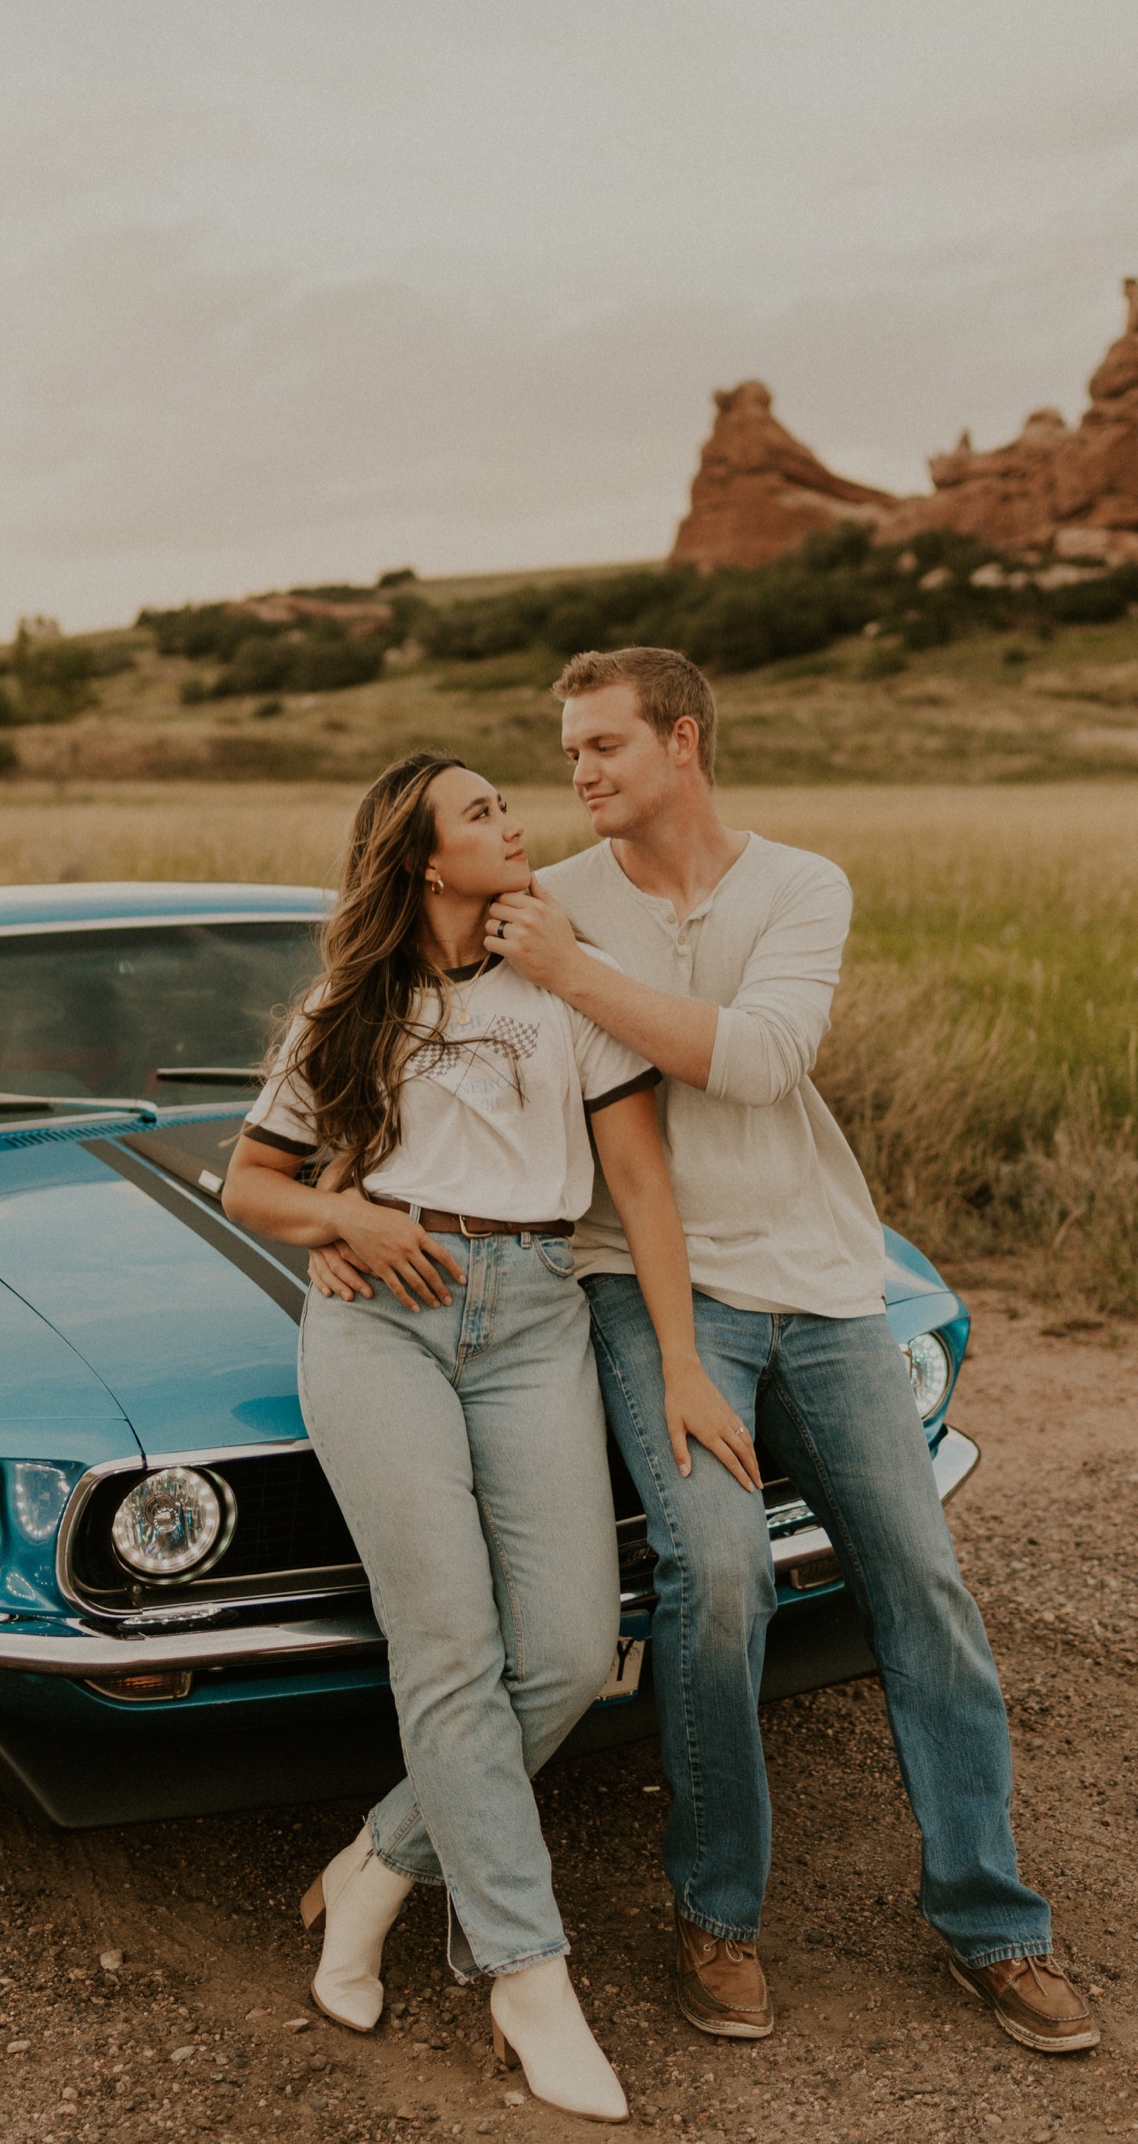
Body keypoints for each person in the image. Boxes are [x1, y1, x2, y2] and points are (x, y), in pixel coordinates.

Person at [459, 644, 1094, 2057]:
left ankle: (994, 1924)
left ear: (683, 740)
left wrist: (575, 973)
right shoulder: (546, 900)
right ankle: (718, 1914)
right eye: (569, 750)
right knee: (721, 1574)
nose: (578, 773)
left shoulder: (802, 886)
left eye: (605, 745)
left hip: (820, 1279)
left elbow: (756, 1059)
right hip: (651, 1288)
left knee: (923, 1581)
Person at [223, 749, 762, 2125]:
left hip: (531, 1314)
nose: (515, 823)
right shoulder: (347, 1004)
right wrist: (344, 1216)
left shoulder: (567, 980)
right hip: (381, 1316)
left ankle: (378, 1865)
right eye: (483, 813)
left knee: (572, 1651)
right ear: (423, 861)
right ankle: (527, 1972)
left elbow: (638, 1180)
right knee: (450, 1648)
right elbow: (253, 1185)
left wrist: (683, 1360)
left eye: (507, 806)